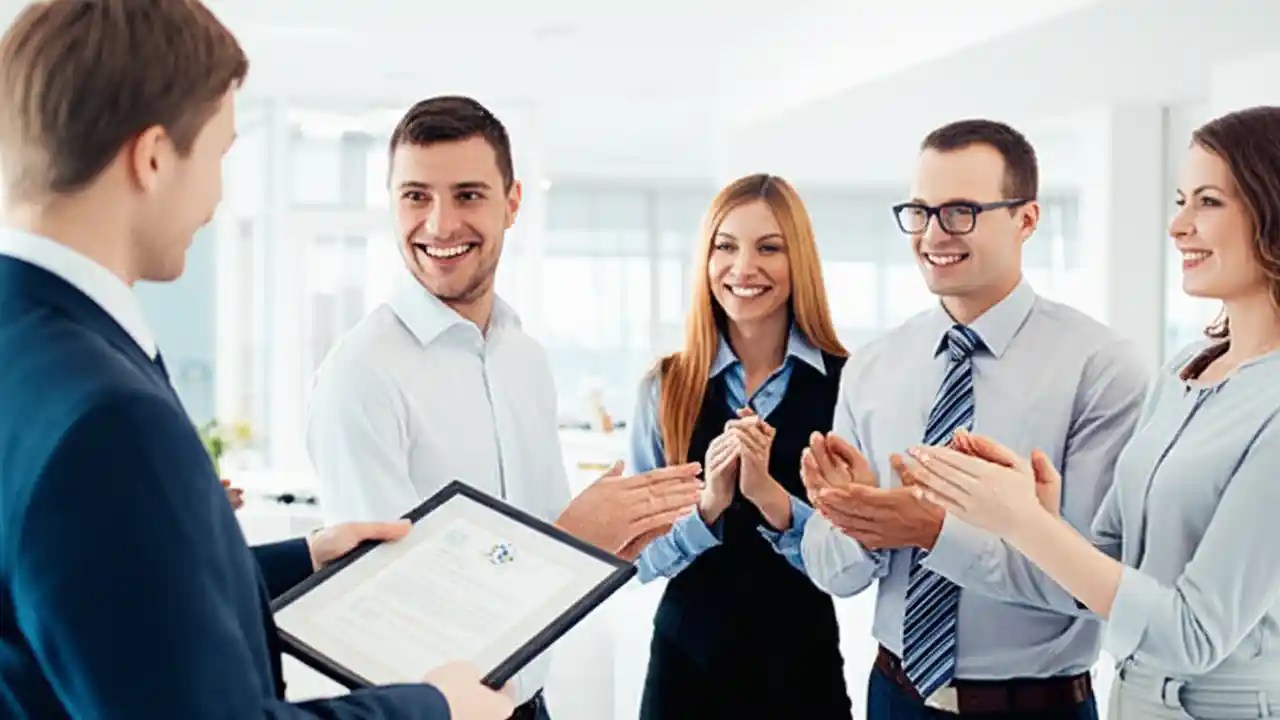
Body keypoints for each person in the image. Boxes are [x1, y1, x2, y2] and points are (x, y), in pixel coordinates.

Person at [0, 1, 512, 718]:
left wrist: (301, 559)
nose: (217, 196)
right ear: (151, 159)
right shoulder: (107, 417)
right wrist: (434, 707)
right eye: (220, 155)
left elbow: (105, 603)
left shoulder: (28, 347)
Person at [305, 95, 702, 719]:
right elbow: (386, 614)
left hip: (528, 704)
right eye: (415, 196)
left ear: (512, 203)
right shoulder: (361, 372)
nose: (438, 225)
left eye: (467, 195)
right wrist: (573, 537)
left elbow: (542, 547)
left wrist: (602, 550)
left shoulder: (525, 359)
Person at [903, 105, 1280, 719]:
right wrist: (1036, 515)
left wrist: (1028, 525)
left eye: (1208, 202)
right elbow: (1104, 571)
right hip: (1132, 702)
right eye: (1181, 199)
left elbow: (1195, 635)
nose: (1178, 225)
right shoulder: (1186, 369)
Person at [776, 119, 1151, 719]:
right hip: (894, 696)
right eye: (920, 211)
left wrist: (932, 531)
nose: (932, 234)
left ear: (1026, 219)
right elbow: (832, 573)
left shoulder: (1101, 367)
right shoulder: (874, 366)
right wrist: (854, 519)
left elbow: (1092, 580)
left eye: (959, 212)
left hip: (1037, 706)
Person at [627, 174, 853, 719]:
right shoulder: (665, 387)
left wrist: (771, 498)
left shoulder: (848, 386)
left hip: (804, 675)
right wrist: (708, 509)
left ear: (798, 260)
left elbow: (858, 560)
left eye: (768, 248)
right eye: (725, 246)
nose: (743, 268)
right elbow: (636, 557)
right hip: (686, 672)